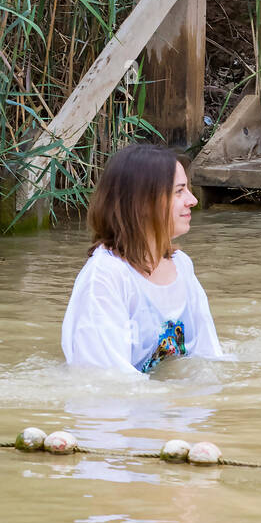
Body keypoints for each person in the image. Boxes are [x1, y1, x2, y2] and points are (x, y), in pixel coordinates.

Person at [62, 145, 224, 374]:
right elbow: (102, 381)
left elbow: (209, 357)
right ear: (143, 202)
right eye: (179, 191)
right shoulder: (104, 278)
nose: (193, 200)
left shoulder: (182, 265)